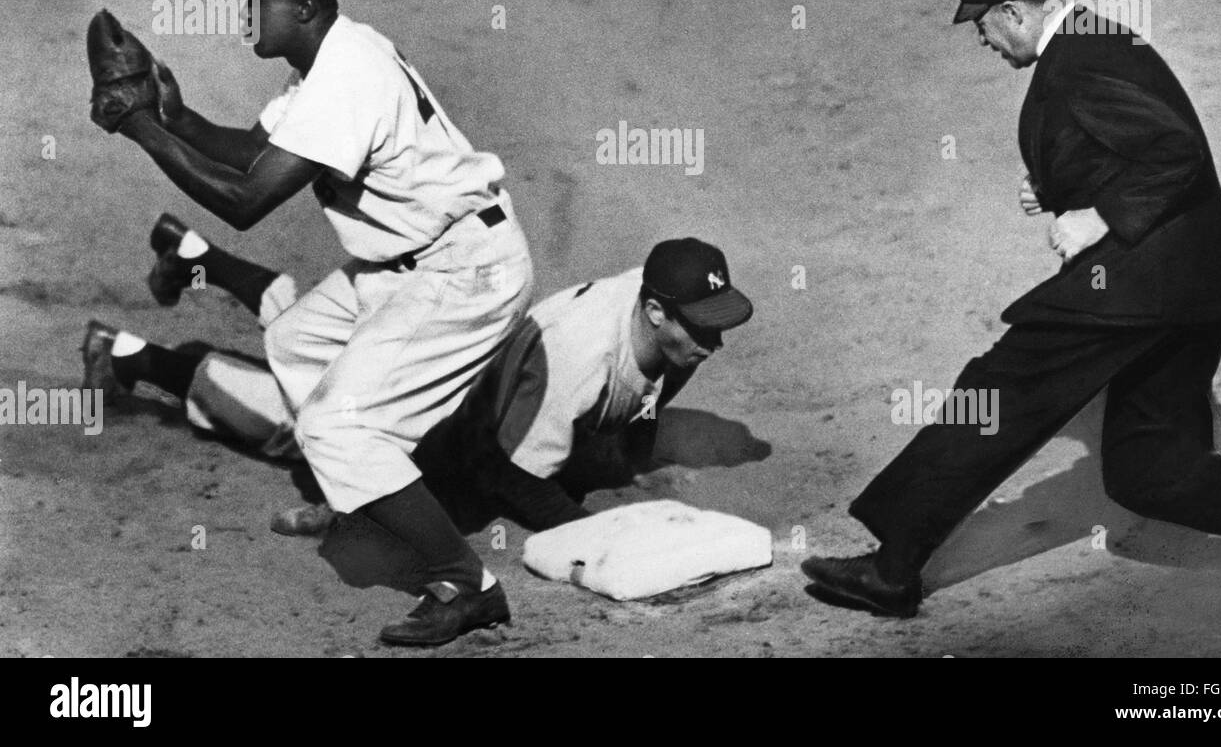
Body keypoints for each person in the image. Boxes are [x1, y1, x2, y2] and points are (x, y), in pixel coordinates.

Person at [802, 0, 1221, 616]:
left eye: (980, 24)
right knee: (1153, 469)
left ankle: (892, 568)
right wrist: (1062, 185)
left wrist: (1097, 215)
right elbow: (1133, 139)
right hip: (1188, 289)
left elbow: (1174, 148)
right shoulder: (1097, 39)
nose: (981, 40)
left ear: (1011, 11)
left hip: (1134, 287)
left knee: (996, 396)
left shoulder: (1076, 63)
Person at [87, 0, 535, 646]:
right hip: (411, 262)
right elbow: (258, 154)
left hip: (465, 273)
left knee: (336, 423)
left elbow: (245, 200)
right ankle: (360, 496)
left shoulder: (347, 77)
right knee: (296, 340)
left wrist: (142, 128)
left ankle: (466, 583)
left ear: (303, 5)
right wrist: (176, 117)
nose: (244, 8)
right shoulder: (327, 61)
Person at [84, 232, 754, 543]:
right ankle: (132, 355)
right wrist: (597, 532)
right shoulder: (578, 355)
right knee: (295, 421)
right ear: (657, 311)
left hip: (452, 334)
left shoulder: (668, 314)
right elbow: (510, 476)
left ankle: (200, 255)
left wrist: (633, 460)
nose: (714, 340)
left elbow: (645, 397)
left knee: (312, 332)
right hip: (427, 390)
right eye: (703, 324)